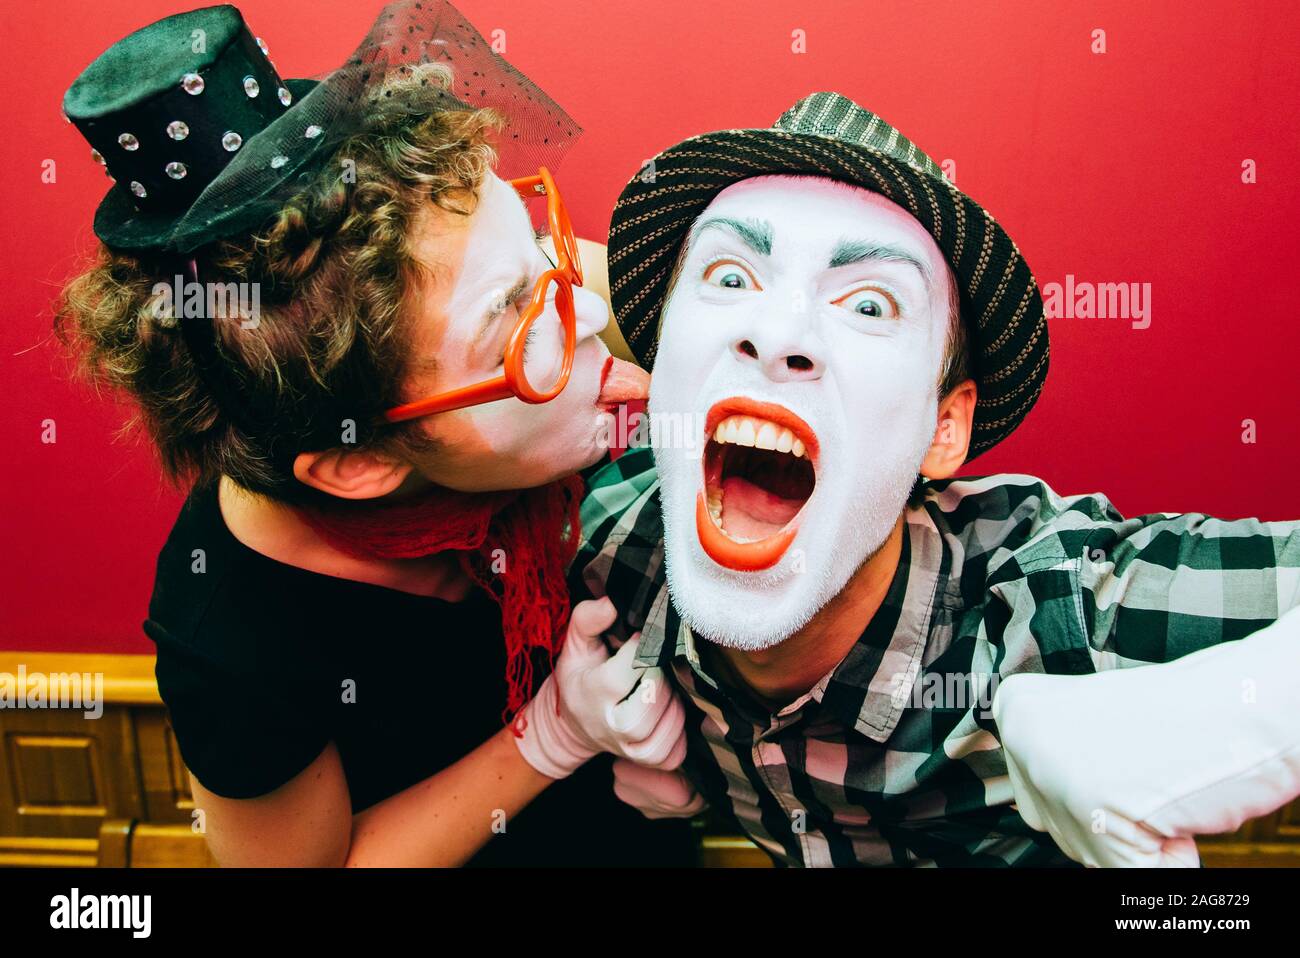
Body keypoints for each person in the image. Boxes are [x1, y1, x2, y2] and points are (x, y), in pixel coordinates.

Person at [578, 91, 1300, 867]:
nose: (777, 333)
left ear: (943, 428)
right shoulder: (608, 539)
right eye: (728, 278)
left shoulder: (1053, 614)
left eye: (868, 303)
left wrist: (1258, 710)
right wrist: (560, 732)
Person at [55, 0, 693, 867]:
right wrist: (550, 739)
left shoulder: (519, 332)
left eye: (541, 253)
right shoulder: (228, 639)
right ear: (358, 463)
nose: (585, 313)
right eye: (512, 317)